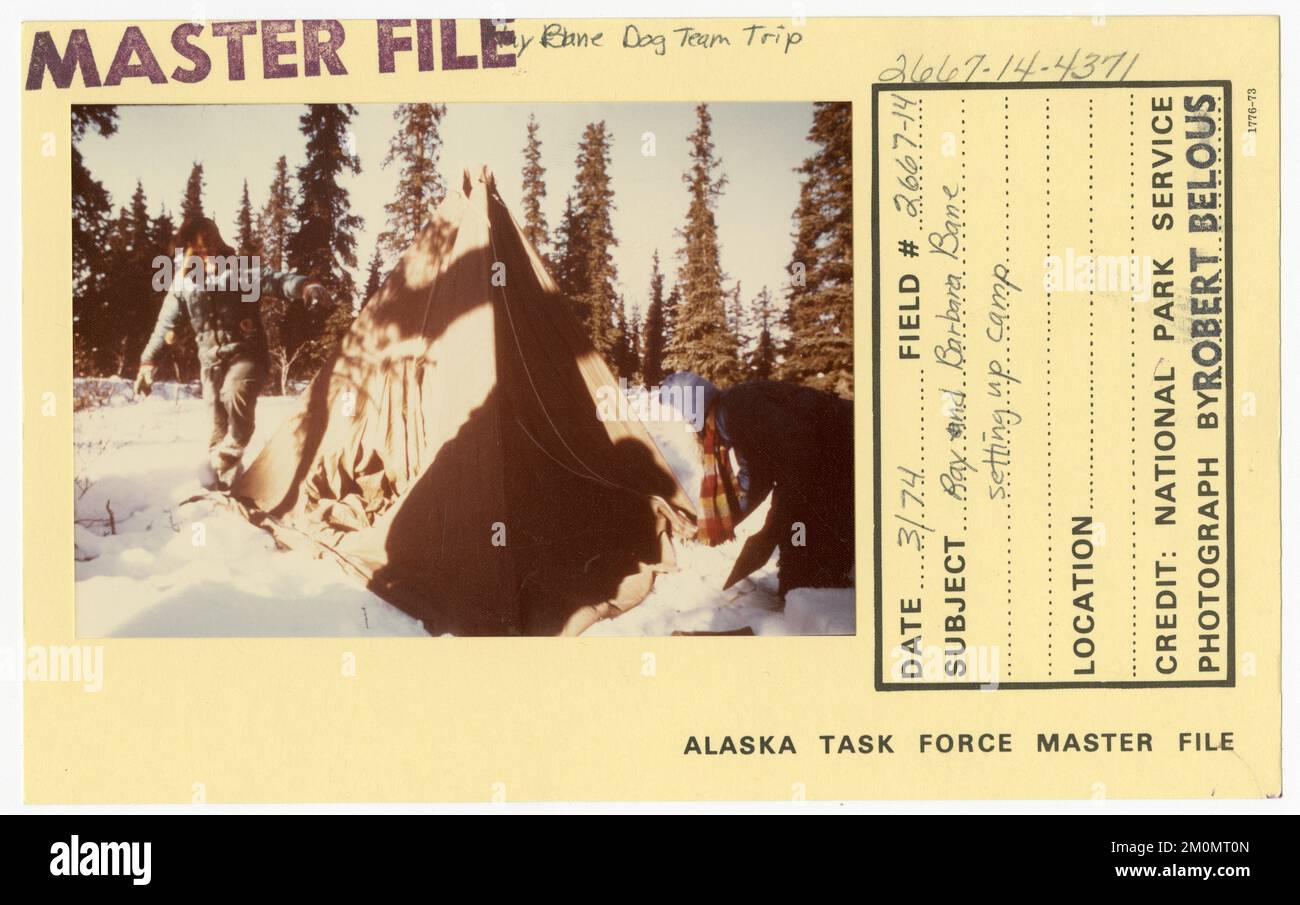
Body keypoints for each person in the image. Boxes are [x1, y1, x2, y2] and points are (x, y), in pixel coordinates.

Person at [134, 217, 328, 490]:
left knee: (234, 393)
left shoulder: (240, 271)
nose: (207, 255)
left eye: (211, 248)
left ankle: (225, 458)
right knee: (217, 425)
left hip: (247, 357)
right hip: (211, 364)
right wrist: (147, 362)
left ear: (219, 245)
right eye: (199, 251)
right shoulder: (183, 285)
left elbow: (275, 280)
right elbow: (164, 325)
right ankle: (224, 484)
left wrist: (305, 285)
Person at [660, 371, 854, 597]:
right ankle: (806, 589)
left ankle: (810, 596)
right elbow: (753, 476)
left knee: (799, 529)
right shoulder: (730, 413)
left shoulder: (737, 410)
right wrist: (731, 517)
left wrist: (785, 504)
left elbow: (801, 448)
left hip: (844, 445)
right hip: (833, 451)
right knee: (797, 531)